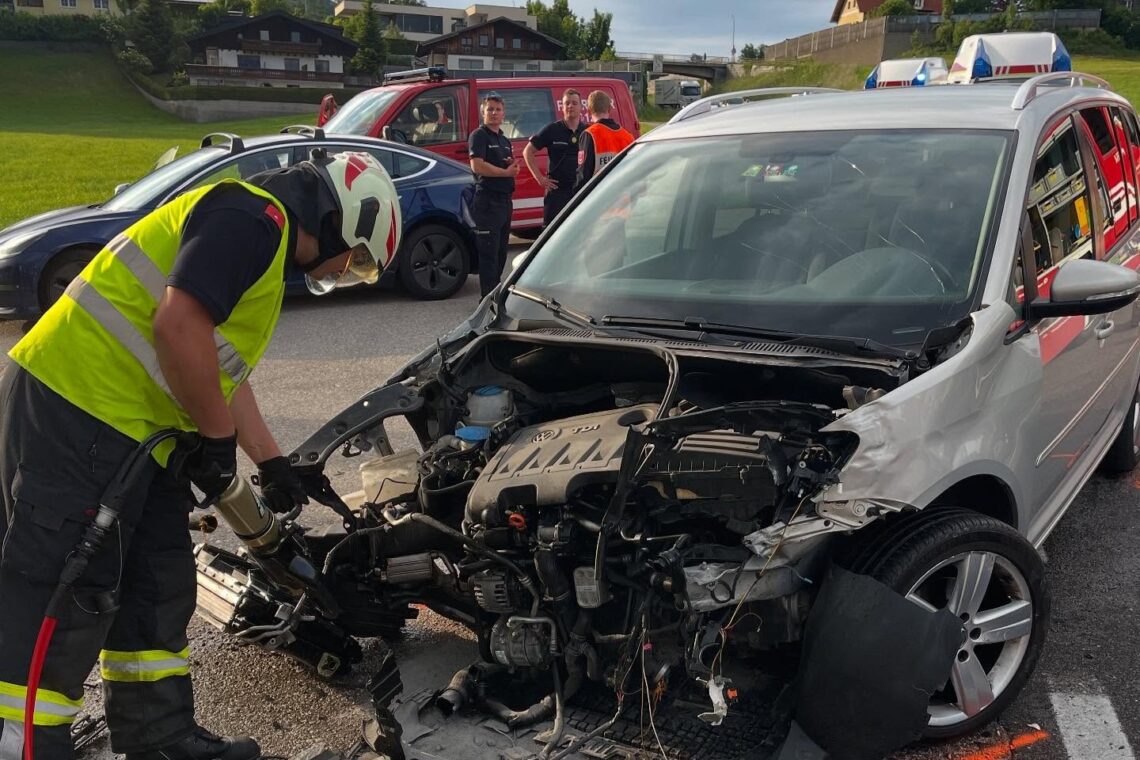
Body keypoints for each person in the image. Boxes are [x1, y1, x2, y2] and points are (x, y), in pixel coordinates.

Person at [0, 151, 401, 760]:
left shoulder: (259, 241)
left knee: (156, 583)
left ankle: (158, 737)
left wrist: (270, 463)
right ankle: (21, 742)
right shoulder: (250, 217)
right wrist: (216, 443)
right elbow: (177, 327)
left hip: (137, 431)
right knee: (65, 587)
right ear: (349, 218)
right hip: (75, 408)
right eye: (358, 259)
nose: (346, 272)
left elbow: (220, 369)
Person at [468, 93, 519, 297]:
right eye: (490, 109)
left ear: (503, 113)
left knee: (500, 254)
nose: (494, 113)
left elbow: (505, 164)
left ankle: (496, 297)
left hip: (505, 201)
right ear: (483, 112)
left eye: (498, 109)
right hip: (488, 201)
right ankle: (487, 302)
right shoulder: (479, 136)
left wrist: (511, 166)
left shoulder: (504, 140)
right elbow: (477, 165)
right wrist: (505, 172)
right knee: (488, 255)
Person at [523, 88, 586, 227]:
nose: (570, 106)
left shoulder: (587, 132)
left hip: (579, 192)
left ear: (581, 107)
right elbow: (527, 152)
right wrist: (540, 178)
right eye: (567, 103)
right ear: (562, 107)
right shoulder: (552, 130)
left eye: (574, 103)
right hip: (556, 193)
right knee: (551, 233)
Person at [576, 90, 636, 191]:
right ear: (609, 109)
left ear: (589, 110)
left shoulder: (589, 134)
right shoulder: (628, 136)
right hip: (624, 200)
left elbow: (583, 175)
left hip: (600, 199)